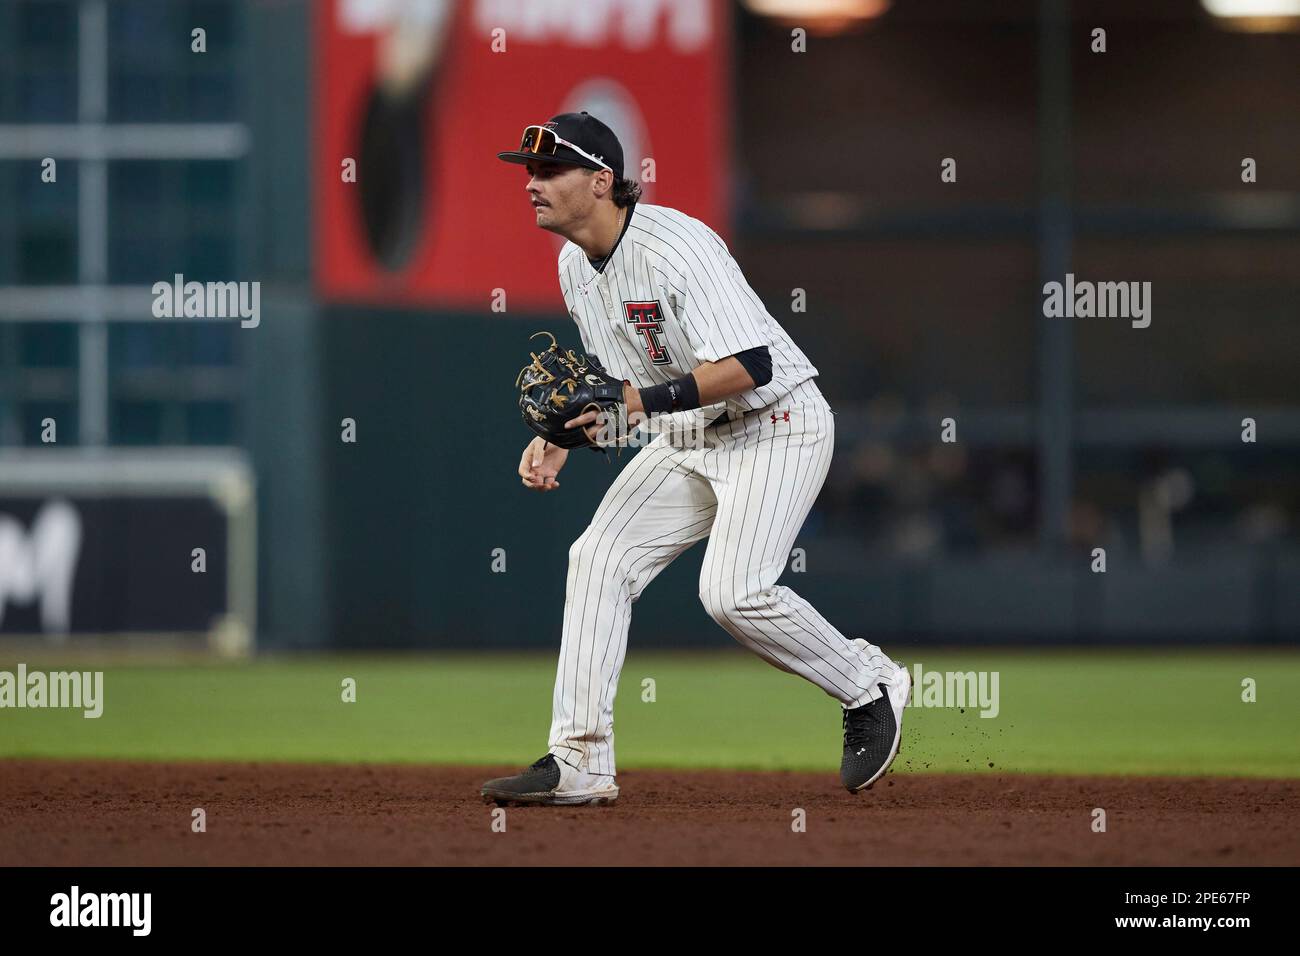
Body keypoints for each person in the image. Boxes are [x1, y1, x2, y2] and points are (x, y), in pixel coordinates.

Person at [481, 112, 910, 806]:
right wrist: (566, 436)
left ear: (600, 181)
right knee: (598, 559)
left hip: (777, 424)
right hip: (691, 435)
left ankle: (869, 684)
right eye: (530, 171)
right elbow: (636, 393)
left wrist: (635, 403)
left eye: (551, 170)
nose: (533, 183)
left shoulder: (676, 245)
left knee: (733, 592)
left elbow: (750, 363)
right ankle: (580, 760)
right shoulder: (572, 266)